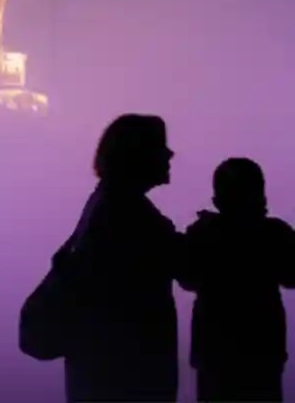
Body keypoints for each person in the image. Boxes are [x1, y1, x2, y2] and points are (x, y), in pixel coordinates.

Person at [180, 158, 295, 402]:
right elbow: (294, 276)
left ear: (217, 201)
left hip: (214, 356)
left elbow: (187, 279)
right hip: (262, 355)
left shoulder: (202, 233)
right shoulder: (273, 233)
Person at [64, 114, 184, 402]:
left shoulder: (106, 204)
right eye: (160, 146)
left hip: (102, 371)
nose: (170, 154)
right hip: (126, 374)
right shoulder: (130, 213)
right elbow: (185, 262)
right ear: (138, 156)